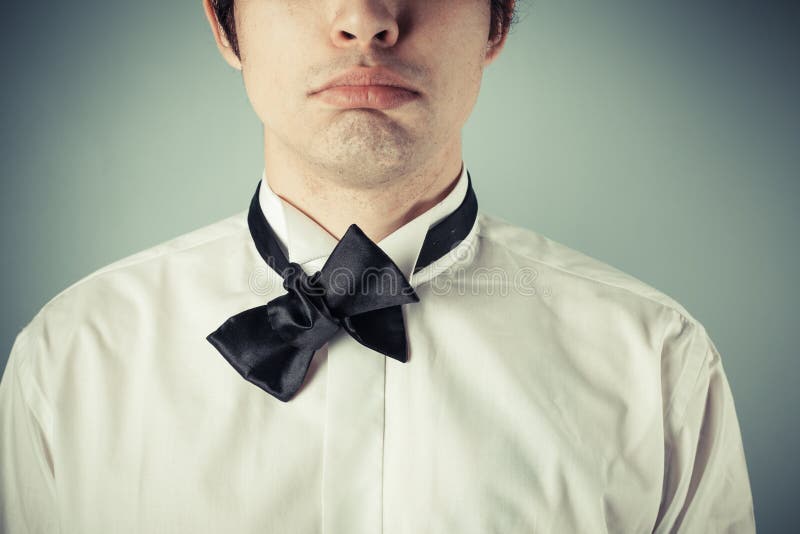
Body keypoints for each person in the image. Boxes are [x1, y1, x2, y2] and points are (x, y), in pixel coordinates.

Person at [0, 0, 756, 532]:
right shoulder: (70, 357)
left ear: (497, 19)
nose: (365, 15)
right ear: (224, 24)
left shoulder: (657, 363)